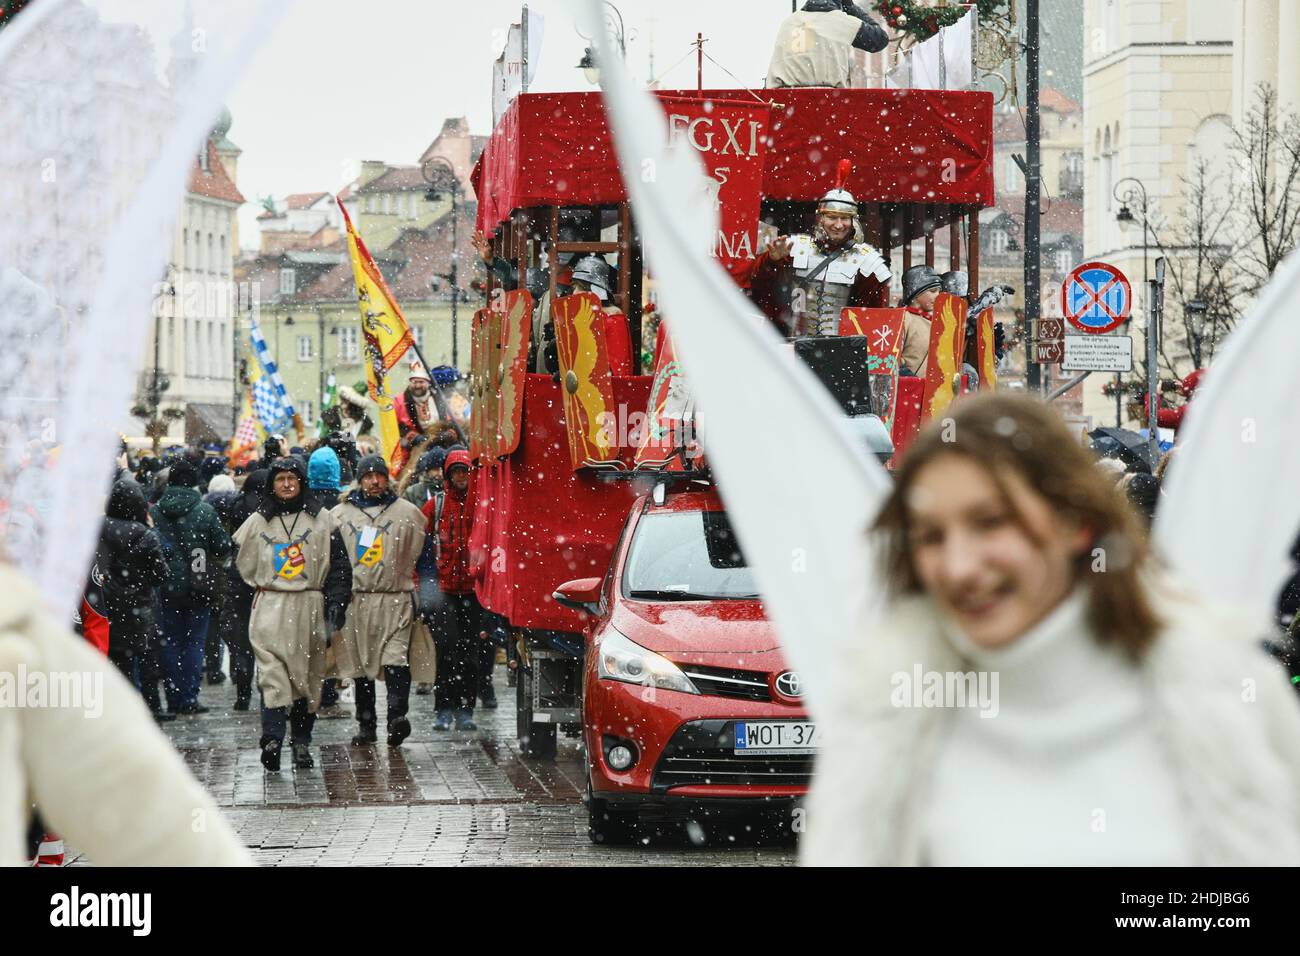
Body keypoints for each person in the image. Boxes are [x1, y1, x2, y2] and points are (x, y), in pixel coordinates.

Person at [802, 394, 1300, 865]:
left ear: (1074, 521)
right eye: (931, 536)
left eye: (991, 522)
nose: (958, 567)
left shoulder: (1223, 690)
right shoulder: (883, 713)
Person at [1, 561, 251, 865]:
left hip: (49, 684)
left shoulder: (55, 564)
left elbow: (94, 621)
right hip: (45, 679)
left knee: (42, 804)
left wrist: (88, 685)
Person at [233, 457, 352, 771]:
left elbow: (340, 569)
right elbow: (240, 573)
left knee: (307, 679)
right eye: (280, 478)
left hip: (309, 606)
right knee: (272, 677)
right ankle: (272, 737)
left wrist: (335, 606)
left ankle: (301, 741)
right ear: (272, 484)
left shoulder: (323, 521)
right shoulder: (257, 522)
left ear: (302, 482)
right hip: (270, 607)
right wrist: (234, 613)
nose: (286, 484)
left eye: (292, 478)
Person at [331, 454, 428, 747]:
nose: (374, 481)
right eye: (368, 475)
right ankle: (366, 723)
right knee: (361, 667)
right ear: (359, 479)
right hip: (357, 601)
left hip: (395, 598)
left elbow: (421, 555)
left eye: (379, 475)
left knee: (396, 660)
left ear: (388, 478)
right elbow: (333, 561)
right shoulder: (340, 515)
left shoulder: (409, 513)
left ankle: (397, 716)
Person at [748, 166, 892, 336]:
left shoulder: (867, 261)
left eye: (845, 218)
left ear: (853, 221)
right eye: (832, 217)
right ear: (820, 218)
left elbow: (873, 316)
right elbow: (761, 286)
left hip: (843, 351)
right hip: (793, 343)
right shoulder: (794, 249)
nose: (839, 225)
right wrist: (771, 261)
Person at [150, 453, 231, 716]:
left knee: (171, 643)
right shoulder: (205, 511)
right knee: (195, 643)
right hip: (199, 585)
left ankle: (173, 698)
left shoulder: (155, 512)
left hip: (165, 587)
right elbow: (222, 545)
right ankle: (189, 698)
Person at [423, 448, 485, 731]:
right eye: (456, 472)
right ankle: (443, 708)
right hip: (445, 592)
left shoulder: (482, 505)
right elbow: (422, 552)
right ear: (448, 475)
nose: (462, 477)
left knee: (470, 654)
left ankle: (465, 709)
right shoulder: (435, 507)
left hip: (473, 592)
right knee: (445, 652)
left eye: (466, 471)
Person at [91, 478, 167, 702]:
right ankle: (143, 708)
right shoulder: (146, 535)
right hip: (137, 610)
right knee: (138, 662)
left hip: (102, 606)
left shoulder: (97, 529)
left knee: (112, 664)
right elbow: (161, 575)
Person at [214, 468, 266, 711]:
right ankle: (267, 688)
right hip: (266, 580)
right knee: (267, 640)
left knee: (243, 640)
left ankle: (242, 694)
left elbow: (229, 542)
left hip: (240, 577)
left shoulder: (237, 506)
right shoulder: (270, 509)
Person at [766, 0, 889, 89]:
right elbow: (880, 39)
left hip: (783, 102)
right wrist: (850, 7)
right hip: (827, 103)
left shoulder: (789, 23)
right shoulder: (842, 22)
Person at [897, 264, 942, 377]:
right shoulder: (903, 319)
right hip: (909, 389)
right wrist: (907, 377)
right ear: (916, 294)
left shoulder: (936, 321)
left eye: (939, 291)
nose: (938, 295)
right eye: (932, 291)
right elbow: (892, 358)